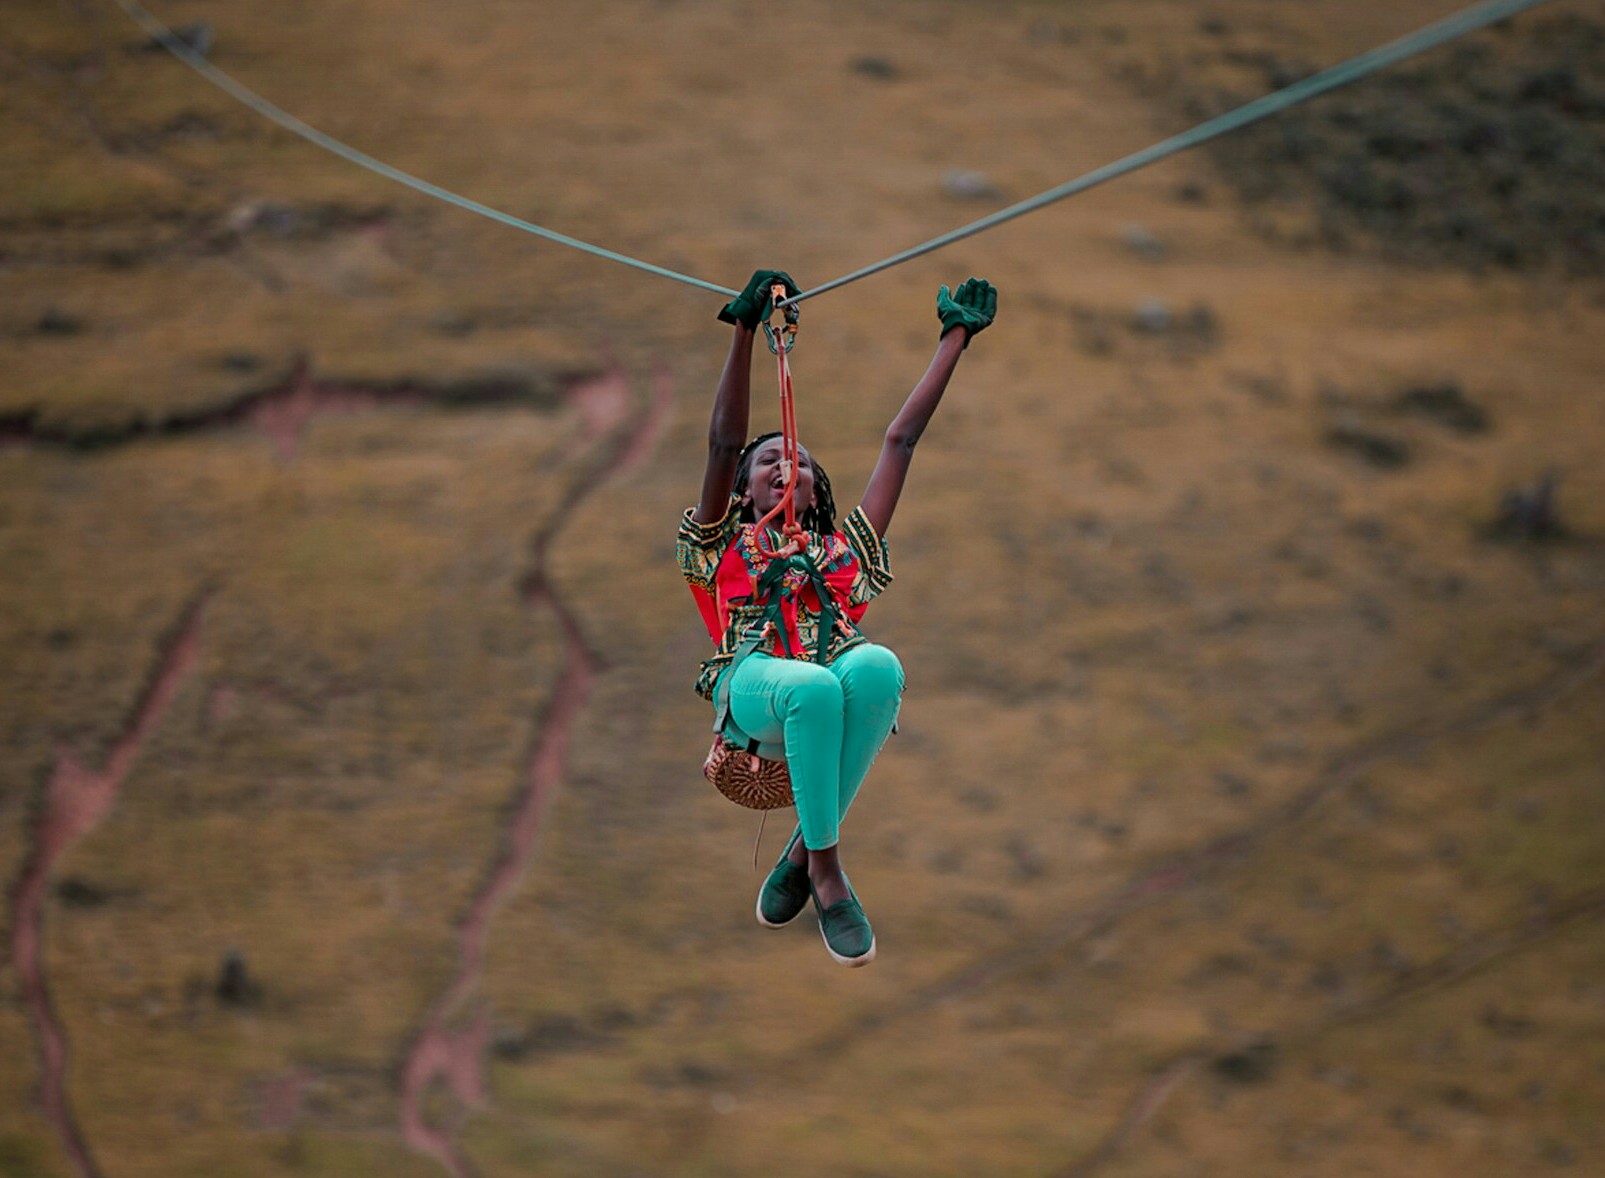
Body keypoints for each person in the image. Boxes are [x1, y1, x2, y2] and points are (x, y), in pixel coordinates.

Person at [676, 268, 996, 966]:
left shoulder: (842, 555)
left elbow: (899, 443)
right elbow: (721, 445)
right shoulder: (719, 545)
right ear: (744, 484)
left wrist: (954, 339)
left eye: (797, 459)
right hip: (753, 684)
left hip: (818, 682)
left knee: (877, 664)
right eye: (768, 459)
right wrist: (743, 331)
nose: (784, 464)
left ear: (816, 487)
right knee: (813, 687)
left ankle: (800, 853)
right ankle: (826, 871)